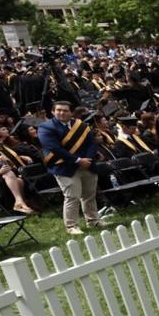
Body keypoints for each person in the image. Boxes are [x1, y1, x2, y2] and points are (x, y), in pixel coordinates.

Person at [37, 98, 106, 235]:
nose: (61, 113)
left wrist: (88, 159)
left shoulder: (80, 125)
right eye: (58, 110)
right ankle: (71, 226)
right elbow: (54, 148)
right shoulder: (45, 127)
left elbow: (91, 143)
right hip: (64, 166)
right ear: (53, 111)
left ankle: (93, 220)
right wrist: (78, 160)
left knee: (89, 195)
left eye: (65, 111)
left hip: (86, 164)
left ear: (71, 113)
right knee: (72, 197)